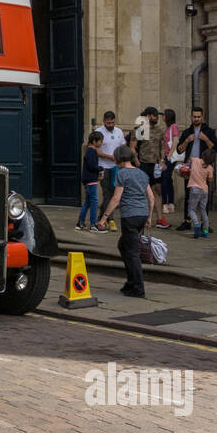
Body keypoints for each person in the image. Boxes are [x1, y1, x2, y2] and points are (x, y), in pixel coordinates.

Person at [98, 145, 153, 296]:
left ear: (120, 159)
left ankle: (138, 288)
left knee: (132, 252)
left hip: (130, 216)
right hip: (142, 214)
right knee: (123, 246)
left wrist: (103, 218)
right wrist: (149, 217)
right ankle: (130, 282)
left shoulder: (122, 174)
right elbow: (151, 197)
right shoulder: (142, 173)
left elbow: (116, 198)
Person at [175, 107, 216, 230]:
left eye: (198, 116)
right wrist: (187, 141)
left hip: (204, 167)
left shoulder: (209, 131)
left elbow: (215, 148)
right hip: (189, 167)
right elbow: (179, 149)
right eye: (194, 116)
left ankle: (205, 224)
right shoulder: (187, 132)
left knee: (204, 195)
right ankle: (187, 221)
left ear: (202, 117)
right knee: (188, 193)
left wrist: (206, 139)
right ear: (191, 117)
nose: (196, 119)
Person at [137, 107, 167, 230]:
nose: (157, 118)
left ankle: (160, 218)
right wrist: (137, 162)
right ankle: (143, 218)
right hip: (143, 164)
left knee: (157, 190)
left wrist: (162, 160)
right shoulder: (141, 129)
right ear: (149, 116)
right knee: (144, 191)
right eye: (155, 115)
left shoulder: (160, 130)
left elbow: (162, 147)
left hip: (156, 165)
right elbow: (134, 146)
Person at [96, 111, 125, 230]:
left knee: (114, 193)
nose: (110, 125)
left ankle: (103, 217)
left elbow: (123, 146)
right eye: (108, 123)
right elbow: (95, 150)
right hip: (103, 166)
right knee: (107, 192)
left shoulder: (119, 131)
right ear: (104, 121)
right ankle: (110, 218)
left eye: (112, 122)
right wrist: (109, 157)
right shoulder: (98, 132)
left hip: (116, 167)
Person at [77, 130, 104, 232]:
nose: (101, 143)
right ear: (94, 141)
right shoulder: (92, 151)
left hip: (88, 180)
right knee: (94, 202)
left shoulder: (90, 151)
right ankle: (93, 224)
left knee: (88, 202)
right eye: (100, 141)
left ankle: (80, 222)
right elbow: (92, 166)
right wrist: (100, 169)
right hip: (91, 181)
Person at [188, 147, 215, 238]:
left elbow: (189, 159)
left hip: (195, 189)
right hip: (204, 191)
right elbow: (210, 180)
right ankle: (206, 231)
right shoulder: (210, 168)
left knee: (191, 209)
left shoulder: (195, 160)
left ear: (203, 155)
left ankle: (196, 224)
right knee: (203, 210)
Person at [160, 108, 179, 218]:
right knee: (168, 179)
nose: (162, 116)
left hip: (170, 157)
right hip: (167, 156)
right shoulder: (167, 128)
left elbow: (175, 141)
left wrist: (169, 155)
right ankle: (170, 203)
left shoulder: (173, 127)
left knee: (165, 179)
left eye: (163, 115)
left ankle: (165, 203)